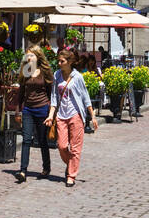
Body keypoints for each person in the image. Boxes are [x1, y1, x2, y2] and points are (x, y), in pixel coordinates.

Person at [47, 49, 96, 187]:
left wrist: (92, 116)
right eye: (58, 61)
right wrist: (51, 115)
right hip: (61, 115)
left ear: (69, 62)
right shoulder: (57, 75)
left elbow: (85, 97)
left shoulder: (77, 77)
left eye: (61, 61)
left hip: (76, 115)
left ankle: (71, 176)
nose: (59, 63)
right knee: (62, 146)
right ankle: (71, 163)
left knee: (75, 148)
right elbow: (54, 97)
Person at [14, 47, 54, 183]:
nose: (28, 58)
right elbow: (21, 93)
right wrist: (17, 110)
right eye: (27, 56)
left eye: (31, 55)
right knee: (26, 139)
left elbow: (50, 92)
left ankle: (46, 167)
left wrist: (51, 110)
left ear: (38, 56)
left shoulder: (45, 73)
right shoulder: (25, 72)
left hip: (42, 109)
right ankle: (23, 170)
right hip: (28, 110)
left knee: (42, 140)